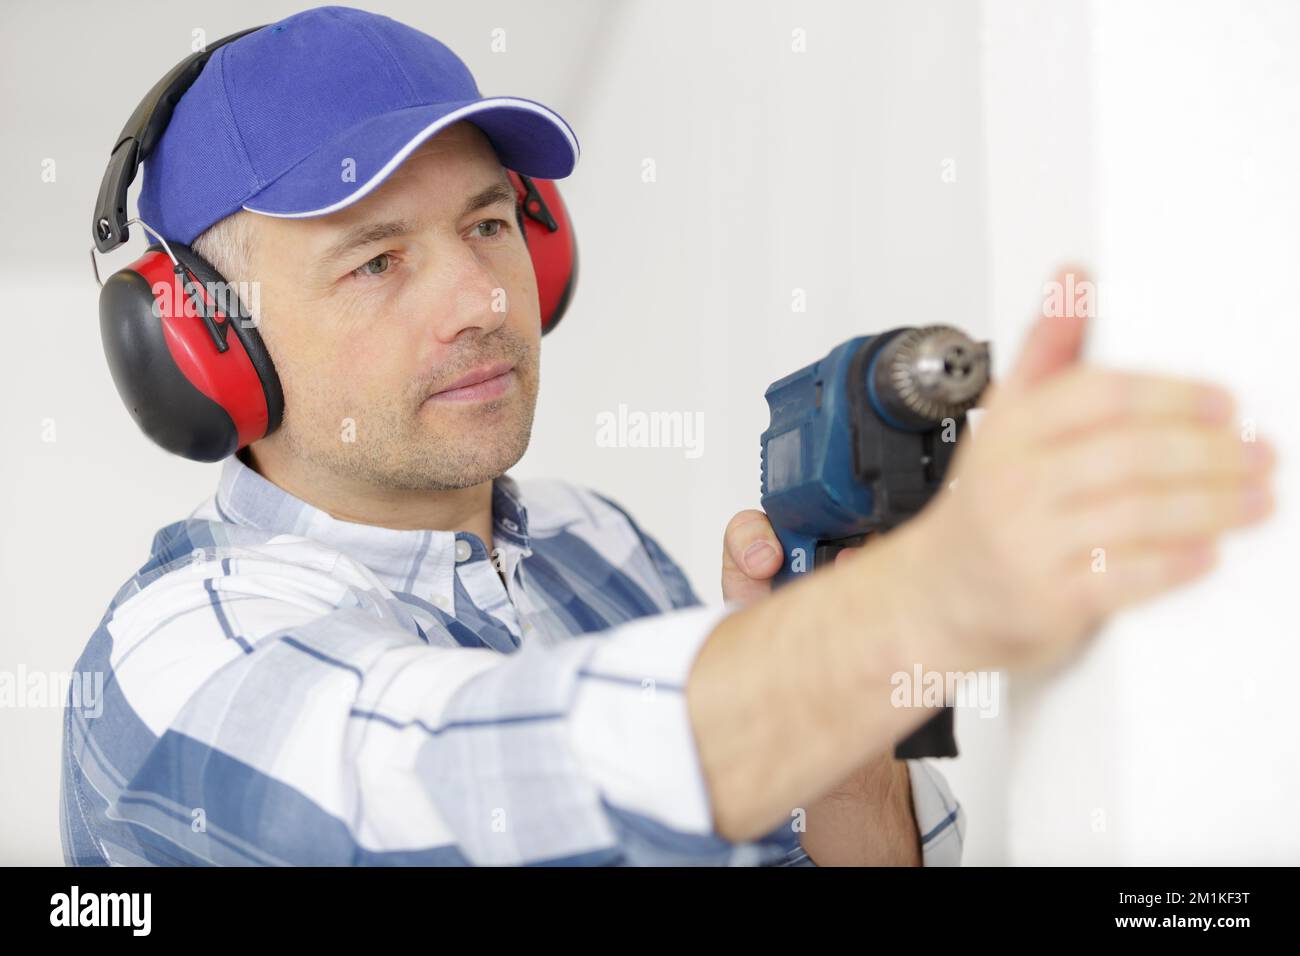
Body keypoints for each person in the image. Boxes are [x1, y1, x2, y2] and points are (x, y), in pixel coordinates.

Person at [61, 6, 1276, 867]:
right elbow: (460, 782)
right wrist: (920, 606)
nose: (484, 300)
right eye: (377, 260)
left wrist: (834, 731)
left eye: (490, 226)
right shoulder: (176, 653)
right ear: (203, 341)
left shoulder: (600, 545)